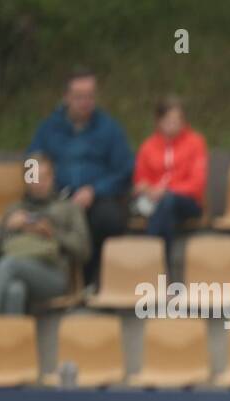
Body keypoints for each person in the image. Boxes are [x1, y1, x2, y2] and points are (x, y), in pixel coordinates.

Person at [27, 67, 134, 285]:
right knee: (46, 217)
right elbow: (31, 162)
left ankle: (93, 281)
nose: (85, 102)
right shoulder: (48, 128)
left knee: (109, 219)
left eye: (90, 96)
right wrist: (39, 185)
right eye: (79, 97)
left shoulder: (109, 129)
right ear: (66, 97)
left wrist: (95, 190)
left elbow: (124, 170)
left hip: (96, 199)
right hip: (57, 196)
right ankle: (55, 281)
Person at [0, 153, 89, 318]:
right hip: (17, 270)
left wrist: (53, 233)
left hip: (54, 275)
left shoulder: (68, 208)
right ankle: (14, 341)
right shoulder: (15, 210)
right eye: (33, 178)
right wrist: (8, 228)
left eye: (43, 177)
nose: (38, 183)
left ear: (52, 177)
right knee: (15, 290)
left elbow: (84, 250)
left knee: (9, 264)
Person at [132, 95, 208, 257]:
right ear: (159, 121)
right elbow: (140, 181)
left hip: (188, 201)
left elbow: (197, 183)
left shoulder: (195, 142)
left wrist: (167, 190)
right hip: (156, 203)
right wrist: (147, 189)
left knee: (167, 202)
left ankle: (152, 260)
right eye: (168, 120)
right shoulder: (148, 146)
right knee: (165, 210)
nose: (173, 125)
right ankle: (162, 268)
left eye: (177, 120)